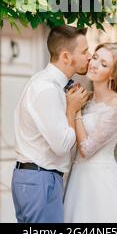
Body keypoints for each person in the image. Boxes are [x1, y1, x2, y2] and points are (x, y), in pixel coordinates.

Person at [11, 25, 91, 223]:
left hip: (40, 178)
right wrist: (72, 110)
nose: (89, 56)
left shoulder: (52, 85)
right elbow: (62, 145)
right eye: (84, 52)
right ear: (66, 57)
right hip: (40, 179)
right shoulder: (46, 88)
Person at [64, 42, 117, 223]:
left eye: (104, 64)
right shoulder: (86, 98)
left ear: (113, 74)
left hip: (100, 182)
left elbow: (86, 150)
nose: (94, 64)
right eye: (95, 57)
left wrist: (76, 111)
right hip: (78, 178)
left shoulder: (116, 105)